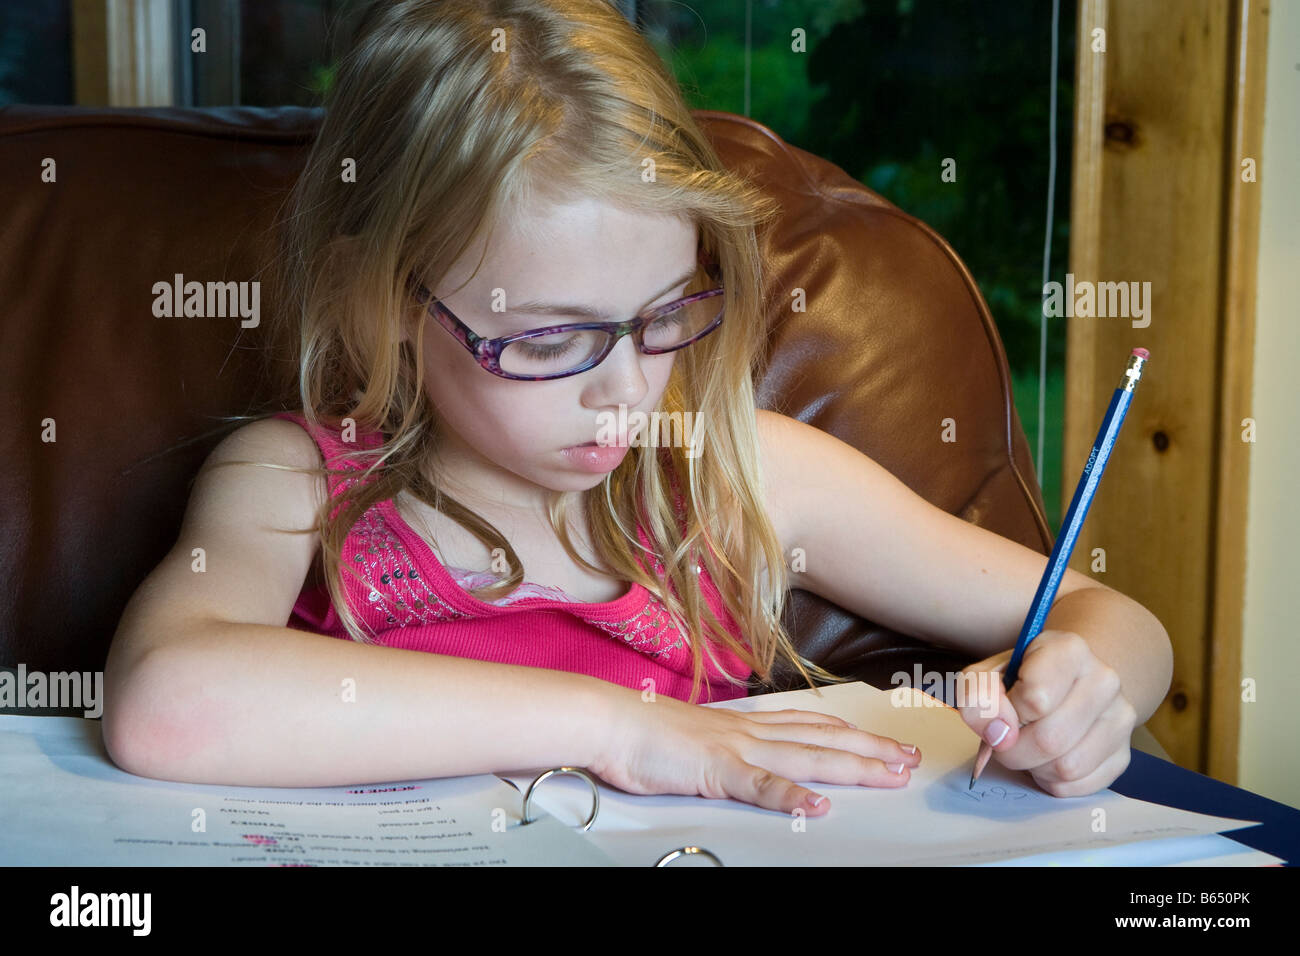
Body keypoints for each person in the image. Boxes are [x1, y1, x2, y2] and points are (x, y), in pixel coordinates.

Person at [102, 0, 1172, 817]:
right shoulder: (291, 483)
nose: (625, 388)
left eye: (666, 312)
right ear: (377, 304)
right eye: (551, 337)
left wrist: (1084, 693)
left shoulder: (737, 468)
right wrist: (621, 729)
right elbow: (167, 698)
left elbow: (1114, 619)